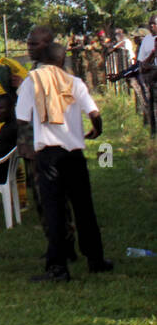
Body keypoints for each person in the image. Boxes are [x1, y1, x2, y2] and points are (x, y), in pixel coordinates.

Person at [16, 42, 112, 282]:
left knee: (54, 210)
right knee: (84, 208)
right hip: (74, 154)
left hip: (48, 154)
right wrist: (96, 131)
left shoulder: (33, 81)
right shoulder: (75, 82)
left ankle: (58, 268)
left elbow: (21, 118)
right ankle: (96, 259)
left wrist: (32, 140)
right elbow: (95, 114)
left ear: (44, 60)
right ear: (62, 60)